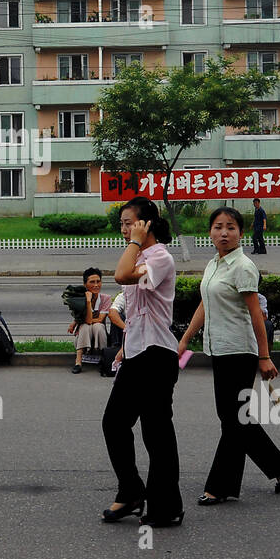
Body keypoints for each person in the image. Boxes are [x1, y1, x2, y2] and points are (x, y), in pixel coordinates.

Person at [179, 207, 280, 505]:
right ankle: (278, 464)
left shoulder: (243, 266)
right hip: (219, 348)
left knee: (232, 420)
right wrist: (184, 341)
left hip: (241, 351)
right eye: (218, 227)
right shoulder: (213, 264)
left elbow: (256, 315)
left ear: (241, 233)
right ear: (210, 232)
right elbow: (204, 305)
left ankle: (219, 487)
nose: (223, 233)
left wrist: (264, 356)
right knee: (234, 419)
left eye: (230, 227)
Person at [100, 196, 183, 529]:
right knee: (114, 422)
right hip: (137, 352)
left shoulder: (160, 256)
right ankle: (132, 491)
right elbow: (135, 311)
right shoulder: (140, 255)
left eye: (130, 222)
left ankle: (167, 506)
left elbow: (121, 275)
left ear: (146, 223)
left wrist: (135, 241)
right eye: (121, 223)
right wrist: (124, 347)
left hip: (158, 354)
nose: (124, 229)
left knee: (156, 431)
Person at [68, 267, 111, 374]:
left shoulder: (105, 298)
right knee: (85, 326)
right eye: (92, 282)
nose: (96, 285)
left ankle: (104, 358)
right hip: (83, 337)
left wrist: (77, 322)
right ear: (85, 284)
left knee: (98, 326)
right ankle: (78, 362)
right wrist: (87, 301)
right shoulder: (79, 300)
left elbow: (99, 319)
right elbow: (86, 321)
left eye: (98, 281)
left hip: (98, 335)